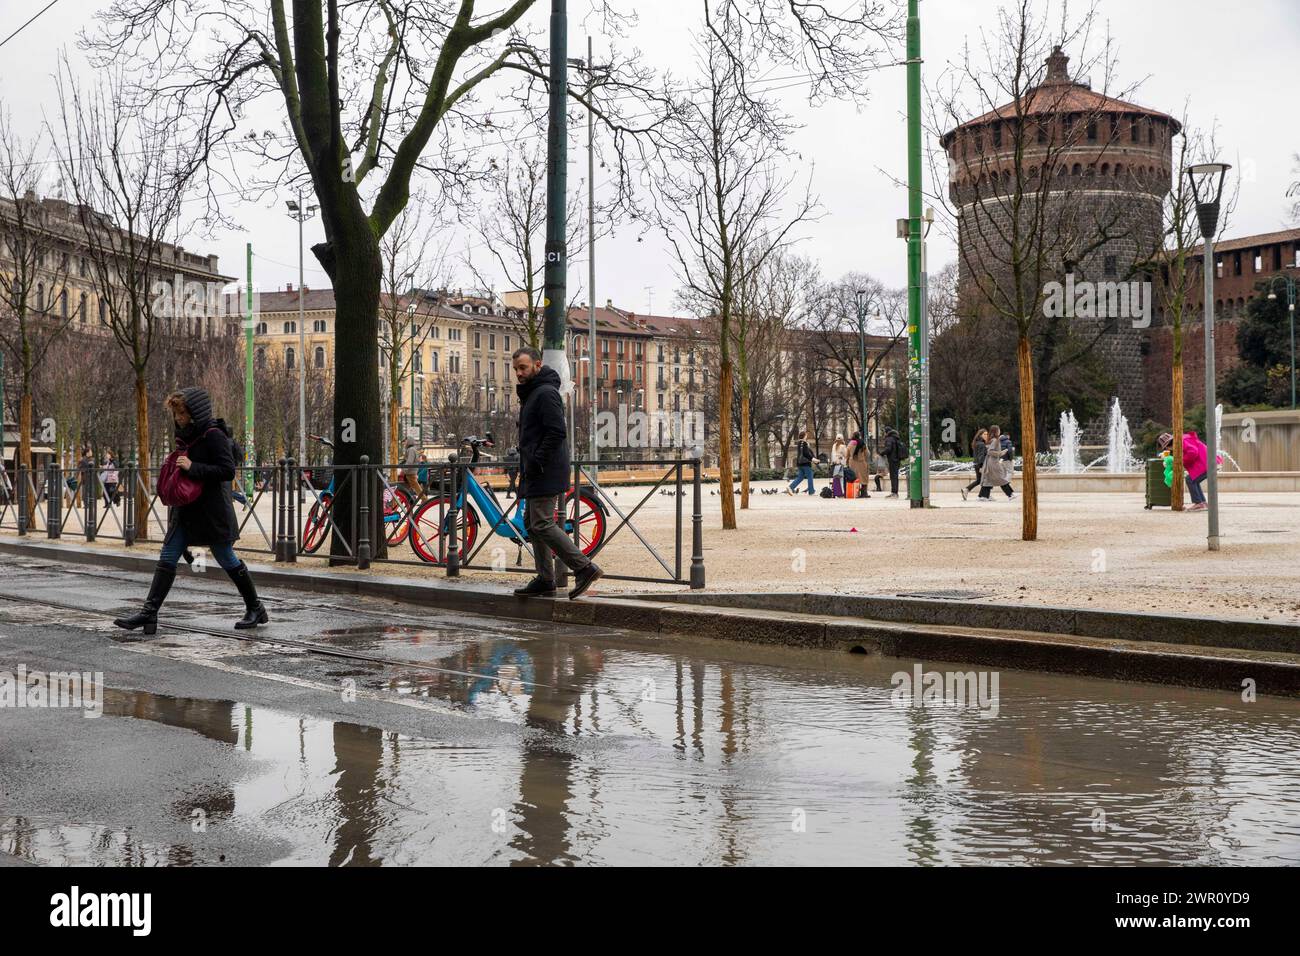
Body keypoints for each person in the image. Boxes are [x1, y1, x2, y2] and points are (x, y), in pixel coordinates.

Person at [113, 387, 268, 636]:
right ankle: (149, 613)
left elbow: (227, 471)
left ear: (195, 412)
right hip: (185, 511)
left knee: (226, 557)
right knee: (168, 555)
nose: (178, 419)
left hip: (211, 512)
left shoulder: (214, 435)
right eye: (176, 414)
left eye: (182, 413)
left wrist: (193, 466)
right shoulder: (184, 435)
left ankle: (255, 607)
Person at [511, 347, 602, 600]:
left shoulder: (545, 393)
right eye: (516, 368)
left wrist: (537, 460)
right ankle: (545, 578)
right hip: (536, 469)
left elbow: (556, 432)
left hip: (545, 469)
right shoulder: (533, 393)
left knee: (541, 523)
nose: (519, 373)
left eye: (524, 367)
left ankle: (584, 567)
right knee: (532, 523)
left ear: (537, 365)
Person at [977, 425, 1016, 500]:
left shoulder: (991, 440)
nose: (1000, 431)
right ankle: (1010, 494)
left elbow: (990, 451)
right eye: (999, 430)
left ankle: (983, 496)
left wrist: (1002, 452)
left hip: (989, 462)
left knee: (987, 479)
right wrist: (1000, 453)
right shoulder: (995, 440)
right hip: (993, 463)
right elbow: (990, 451)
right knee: (1000, 478)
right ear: (996, 431)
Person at [785, 431, 818, 495]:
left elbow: (805, 453)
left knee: (800, 477)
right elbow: (806, 453)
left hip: (799, 463)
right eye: (806, 435)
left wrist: (814, 459)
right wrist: (813, 459)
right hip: (805, 463)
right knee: (810, 476)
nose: (807, 436)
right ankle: (811, 491)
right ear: (804, 436)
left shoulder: (799, 443)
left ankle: (790, 487)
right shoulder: (804, 443)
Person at [961, 429, 989, 500]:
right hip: (980, 465)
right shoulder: (982, 444)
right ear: (980, 435)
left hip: (976, 464)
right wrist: (981, 466)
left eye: (987, 434)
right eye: (984, 434)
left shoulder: (977, 443)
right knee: (985, 480)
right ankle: (983, 495)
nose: (986, 436)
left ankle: (983, 494)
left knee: (980, 480)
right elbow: (981, 456)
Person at [882, 425, 905, 498]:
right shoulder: (896, 438)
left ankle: (894, 493)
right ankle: (894, 492)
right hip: (897, 459)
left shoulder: (889, 439)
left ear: (886, 432)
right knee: (895, 476)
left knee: (893, 476)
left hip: (892, 459)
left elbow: (888, 449)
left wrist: (881, 453)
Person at [847, 430, 871, 499]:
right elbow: (867, 454)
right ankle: (864, 493)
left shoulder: (850, 444)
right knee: (864, 478)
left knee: (854, 478)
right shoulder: (863, 444)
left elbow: (847, 454)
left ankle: (855, 493)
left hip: (852, 464)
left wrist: (847, 462)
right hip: (862, 463)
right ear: (859, 436)